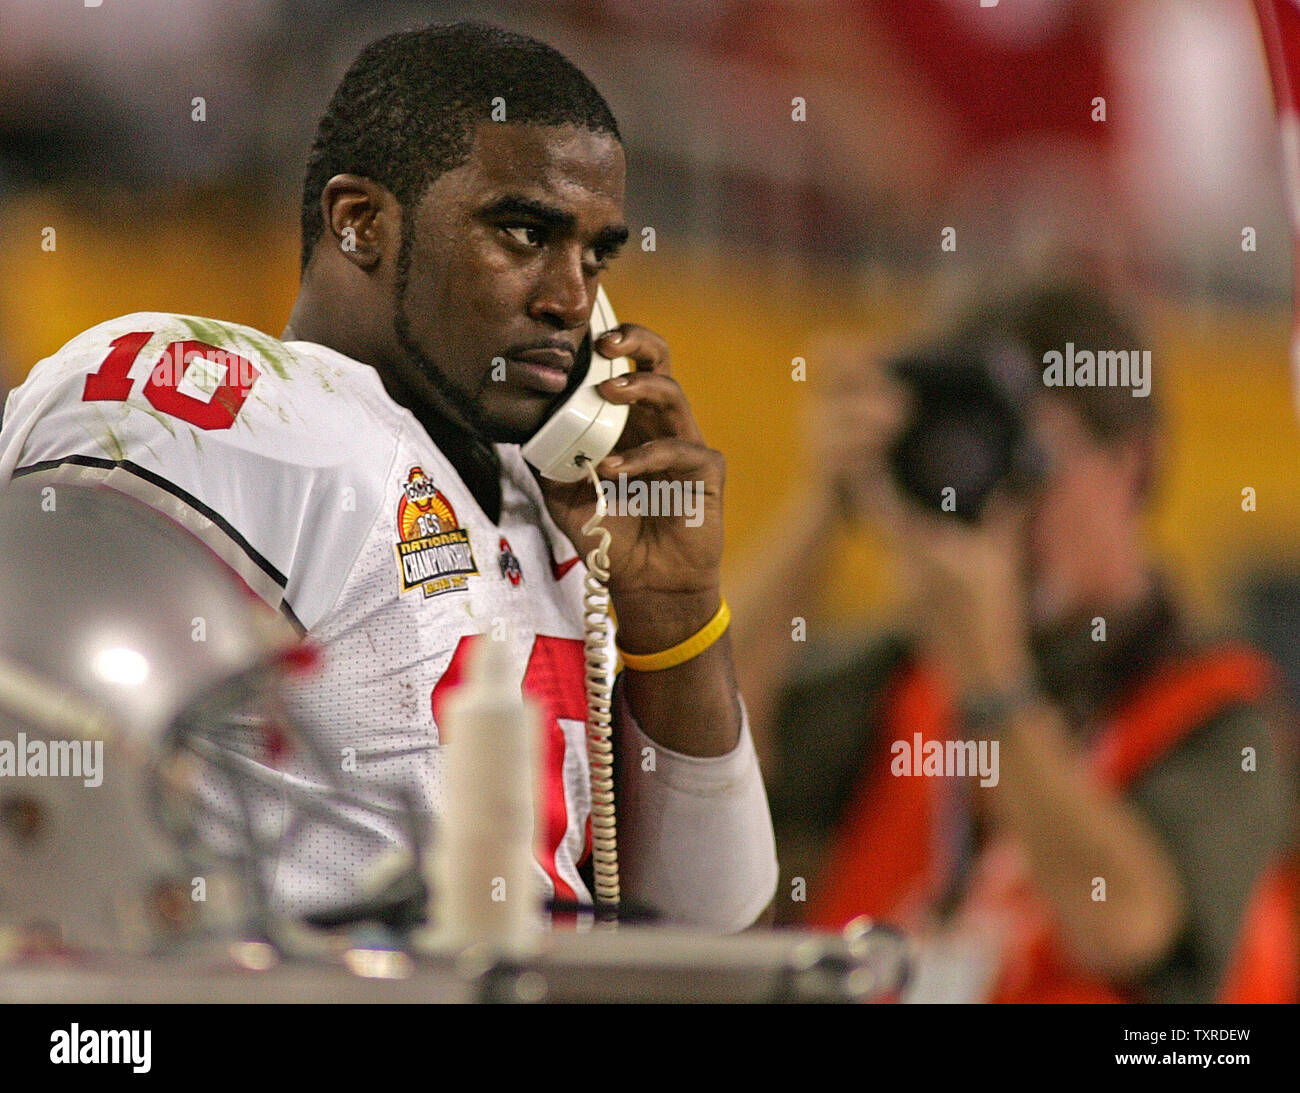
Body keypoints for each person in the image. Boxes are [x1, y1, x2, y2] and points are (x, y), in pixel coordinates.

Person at [0, 23, 777, 932]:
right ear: (359, 222)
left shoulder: (568, 508)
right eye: (524, 232)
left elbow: (713, 922)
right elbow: (39, 763)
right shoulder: (222, 406)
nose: (570, 296)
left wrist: (674, 616)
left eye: (595, 254)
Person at [732, 282, 1297, 1001]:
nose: (1006, 504)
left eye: (1029, 463)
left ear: (1131, 466)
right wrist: (823, 503)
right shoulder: (905, 679)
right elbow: (703, 749)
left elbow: (1130, 927)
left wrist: (991, 678)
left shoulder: (1218, 709)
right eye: (980, 458)